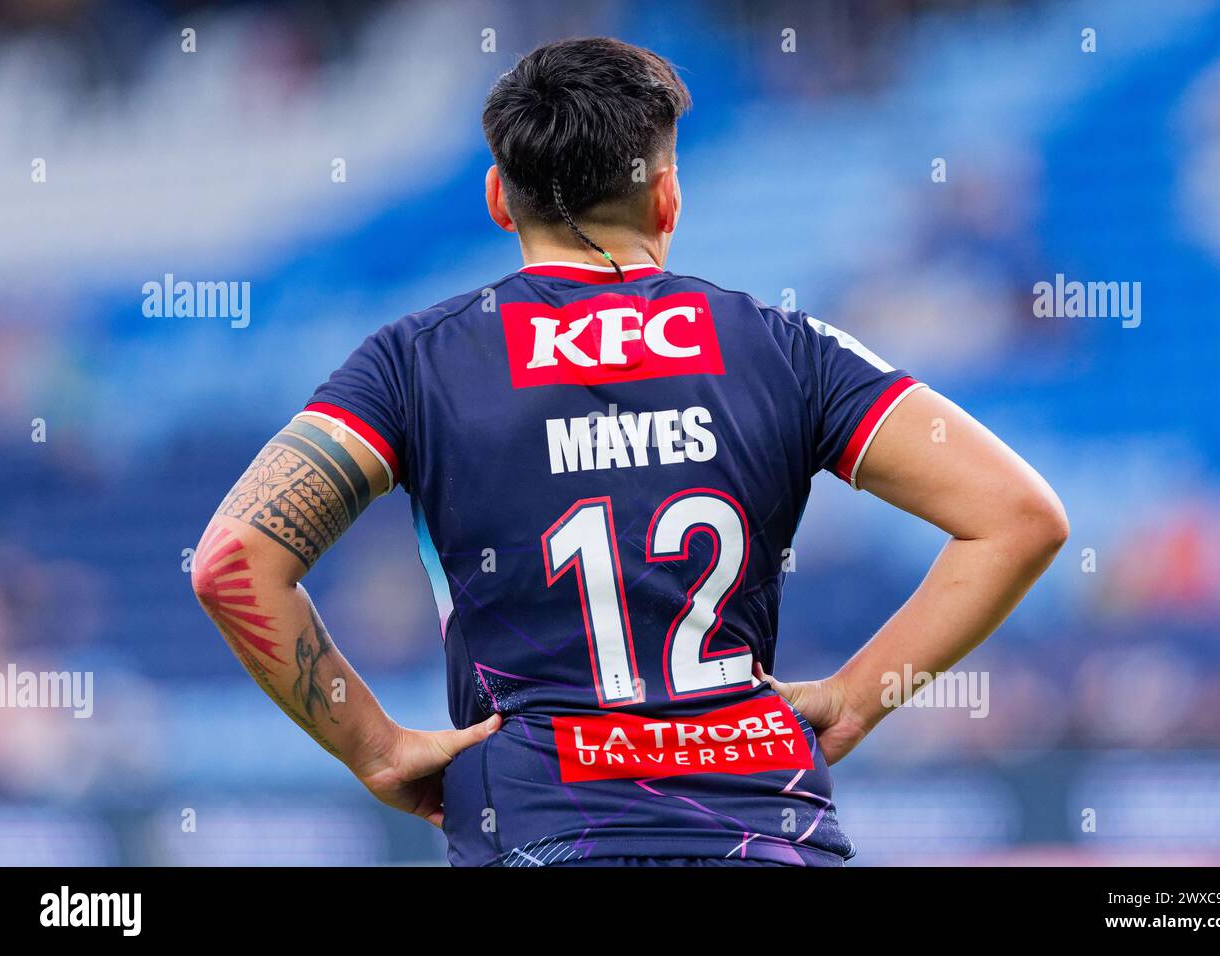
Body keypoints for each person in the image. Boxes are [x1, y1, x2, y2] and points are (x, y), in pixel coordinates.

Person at [192, 36, 1067, 867]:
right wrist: (856, 697)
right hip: (764, 823)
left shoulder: (415, 361)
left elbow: (233, 562)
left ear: (500, 198)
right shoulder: (783, 348)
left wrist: (375, 747)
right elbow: (1019, 519)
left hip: (539, 826)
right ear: (667, 197)